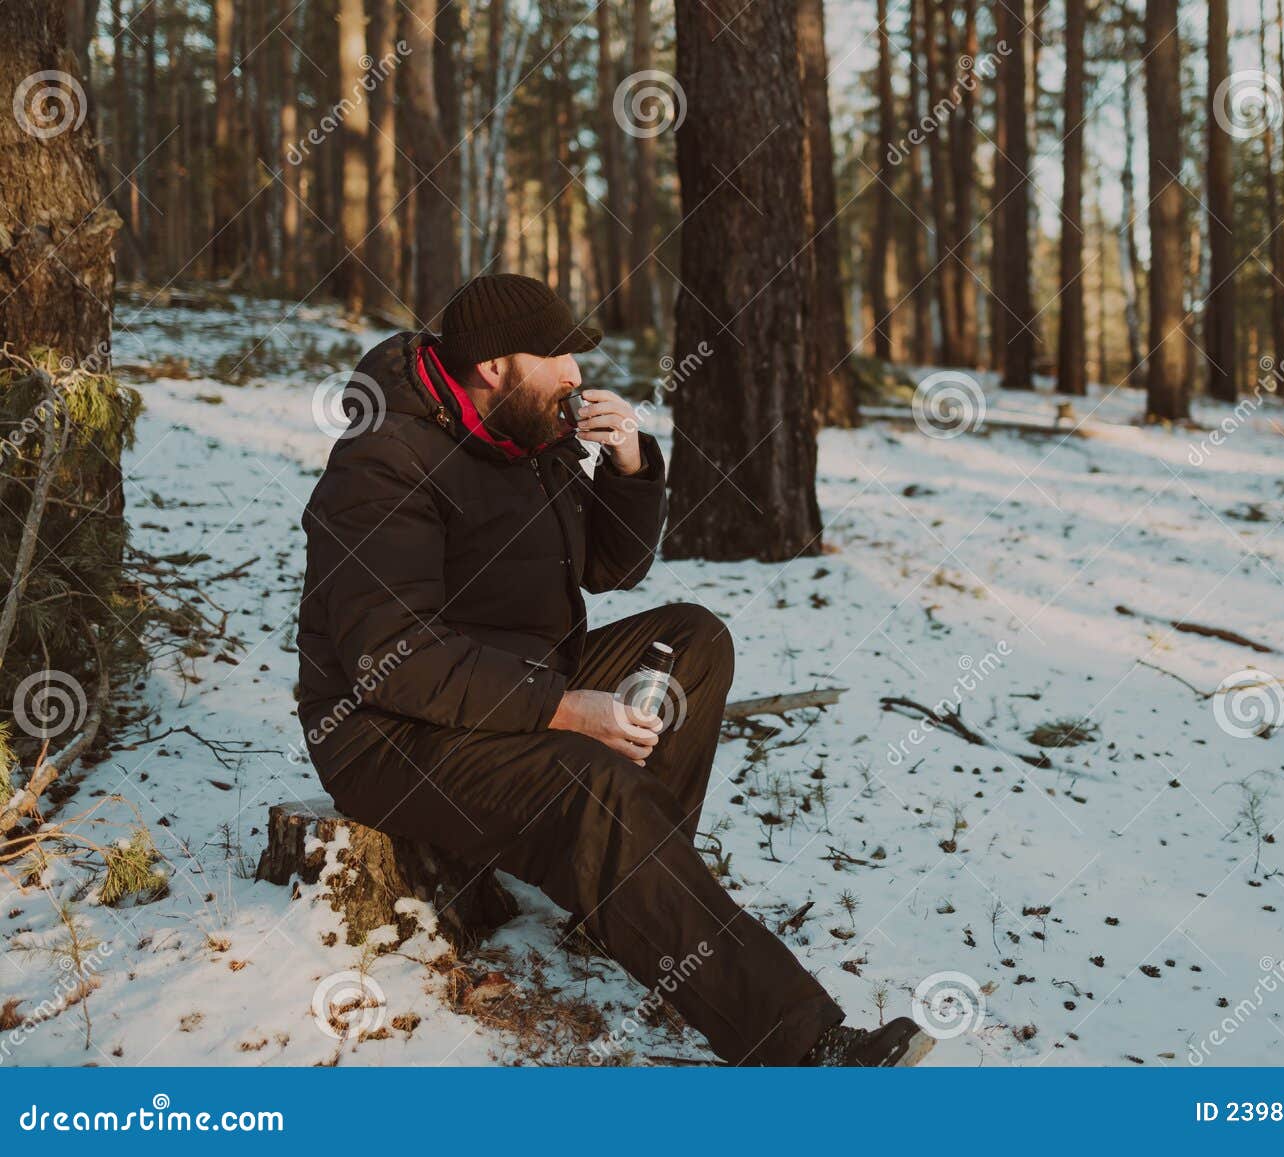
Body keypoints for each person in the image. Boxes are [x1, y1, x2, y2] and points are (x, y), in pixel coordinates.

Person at [295, 274, 934, 1067]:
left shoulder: (524, 431)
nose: (575, 374)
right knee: (594, 787)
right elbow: (391, 659)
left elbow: (606, 569)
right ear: (492, 364)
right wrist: (563, 707)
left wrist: (631, 466)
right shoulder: (385, 461)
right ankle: (803, 1047)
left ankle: (629, 903)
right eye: (558, 355)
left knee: (694, 644)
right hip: (388, 731)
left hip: (511, 679)